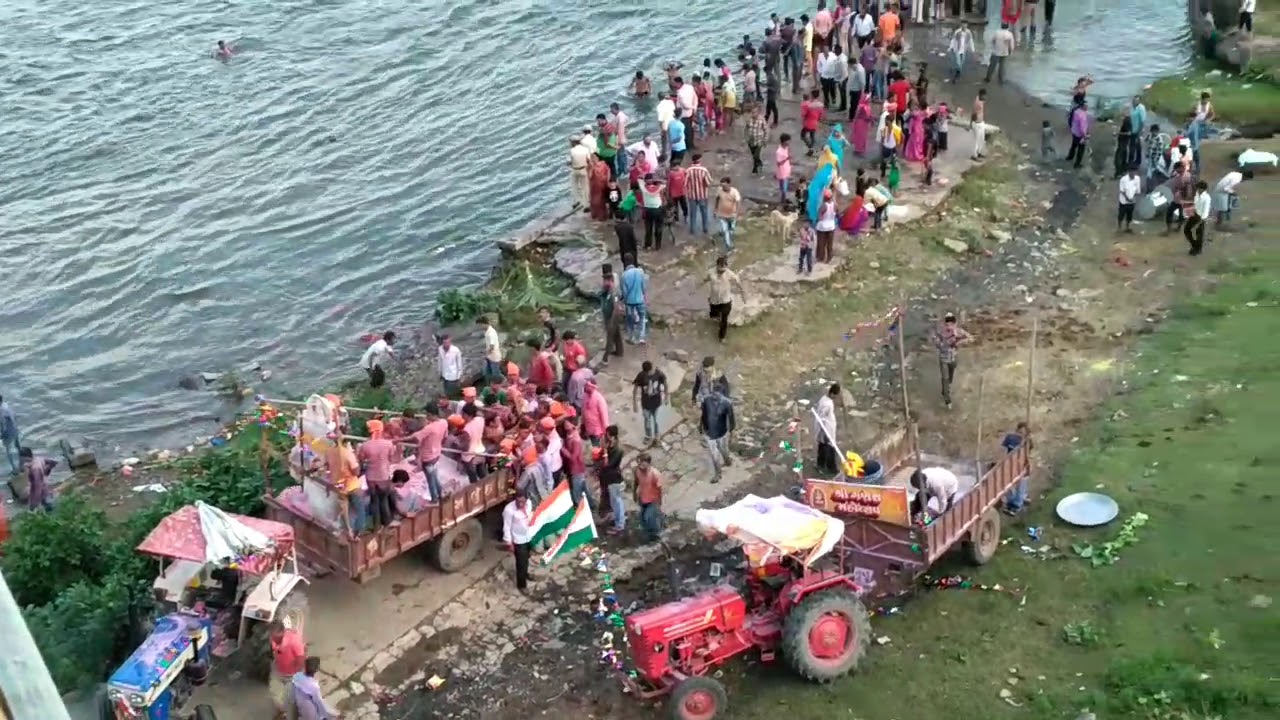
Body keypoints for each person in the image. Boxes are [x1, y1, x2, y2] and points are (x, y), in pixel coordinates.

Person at [358, 420, 400, 530]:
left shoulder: (365, 445)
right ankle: (387, 521)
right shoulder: (388, 444)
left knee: (374, 500)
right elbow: (391, 458)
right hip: (383, 476)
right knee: (383, 499)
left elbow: (361, 459)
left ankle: (376, 525)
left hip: (370, 477)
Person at [933, 311, 973, 409]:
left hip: (953, 359)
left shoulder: (958, 331)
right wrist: (939, 343)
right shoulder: (941, 331)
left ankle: (945, 391)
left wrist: (960, 342)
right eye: (947, 322)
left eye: (951, 322)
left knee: (950, 379)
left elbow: (970, 338)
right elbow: (934, 339)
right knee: (945, 378)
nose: (949, 325)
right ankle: (947, 400)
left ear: (955, 323)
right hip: (943, 359)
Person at [699, 380, 734, 483]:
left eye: (716, 395)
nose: (714, 396)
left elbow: (731, 419)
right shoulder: (706, 400)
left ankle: (727, 460)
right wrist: (700, 426)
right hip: (709, 432)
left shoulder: (727, 403)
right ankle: (718, 473)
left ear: (721, 394)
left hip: (721, 432)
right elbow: (703, 414)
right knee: (714, 454)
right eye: (713, 393)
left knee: (723, 449)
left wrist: (731, 432)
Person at [501, 487, 535, 594]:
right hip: (518, 540)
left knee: (527, 558)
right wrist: (509, 542)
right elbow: (506, 527)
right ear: (514, 499)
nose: (520, 504)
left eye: (522, 501)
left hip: (528, 536)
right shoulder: (509, 510)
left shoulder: (529, 503)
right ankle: (522, 585)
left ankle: (525, 574)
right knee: (521, 563)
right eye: (518, 501)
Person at [326, 439, 362, 538]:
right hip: (351, 485)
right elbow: (356, 472)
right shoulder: (348, 453)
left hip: (338, 484)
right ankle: (356, 532)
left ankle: (348, 529)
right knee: (359, 509)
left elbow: (328, 468)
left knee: (344, 508)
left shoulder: (329, 452)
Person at [269, 623, 306, 718]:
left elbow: (301, 661)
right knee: (275, 696)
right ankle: (282, 713)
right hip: (278, 671)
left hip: (292, 675)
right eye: (272, 636)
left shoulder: (294, 642)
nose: (273, 639)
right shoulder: (273, 639)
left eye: (275, 636)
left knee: (291, 700)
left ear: (282, 632)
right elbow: (275, 651)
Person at [413, 406, 448, 504]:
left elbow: (416, 438)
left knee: (430, 479)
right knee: (434, 476)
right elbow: (445, 436)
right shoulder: (444, 423)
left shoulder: (429, 428)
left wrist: (399, 440)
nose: (426, 416)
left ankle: (434, 499)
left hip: (427, 457)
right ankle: (441, 493)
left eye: (428, 415)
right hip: (436, 455)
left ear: (433, 415)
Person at [707, 256, 744, 342]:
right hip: (714, 300)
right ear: (717, 265)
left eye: (723, 269)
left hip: (725, 300)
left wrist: (742, 293)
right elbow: (705, 279)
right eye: (720, 268)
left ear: (726, 267)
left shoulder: (729, 274)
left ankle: (722, 337)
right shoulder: (711, 273)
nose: (721, 271)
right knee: (714, 316)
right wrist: (696, 288)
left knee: (724, 319)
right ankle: (716, 318)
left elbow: (738, 282)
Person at [597, 425, 626, 534]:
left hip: (614, 480)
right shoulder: (611, 445)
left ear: (611, 436)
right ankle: (614, 516)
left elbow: (608, 465)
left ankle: (619, 525)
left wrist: (604, 451)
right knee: (613, 501)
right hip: (608, 479)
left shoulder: (618, 450)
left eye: (607, 434)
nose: (605, 436)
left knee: (617, 502)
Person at [633, 360, 668, 445]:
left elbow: (665, 383)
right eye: (649, 372)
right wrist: (635, 403)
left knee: (656, 421)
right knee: (647, 421)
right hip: (646, 404)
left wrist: (666, 396)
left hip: (656, 403)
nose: (651, 372)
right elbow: (635, 388)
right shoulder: (641, 376)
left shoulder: (658, 374)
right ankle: (648, 436)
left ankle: (657, 436)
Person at [1001, 422, 1031, 514]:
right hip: (1010, 464)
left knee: (1021, 485)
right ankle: (1010, 501)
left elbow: (1028, 453)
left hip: (1021, 465)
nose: (1020, 434)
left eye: (1022, 433)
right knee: (1007, 484)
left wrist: (1028, 464)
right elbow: (1003, 450)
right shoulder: (1010, 438)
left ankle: (1017, 505)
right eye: (1019, 431)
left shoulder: (1027, 441)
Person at [620, 255, 649, 344]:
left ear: (625, 263)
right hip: (640, 299)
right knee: (642, 317)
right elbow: (643, 286)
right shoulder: (640, 272)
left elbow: (624, 291)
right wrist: (644, 295)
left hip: (629, 301)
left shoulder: (624, 275)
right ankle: (641, 337)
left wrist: (624, 300)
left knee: (630, 320)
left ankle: (631, 337)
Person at [599, 263, 624, 362]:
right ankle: (619, 351)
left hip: (612, 316)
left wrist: (612, 321)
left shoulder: (613, 292)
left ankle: (605, 357)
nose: (604, 282)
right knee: (616, 334)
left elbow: (616, 307)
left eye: (606, 280)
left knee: (610, 335)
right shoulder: (608, 290)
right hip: (609, 314)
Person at [20, 448, 56, 512]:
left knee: (49, 508)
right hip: (45, 487)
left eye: (22, 458)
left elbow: (38, 487)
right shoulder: (38, 459)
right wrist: (46, 471)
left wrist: (34, 503)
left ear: (25, 457)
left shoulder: (35, 469)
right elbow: (52, 462)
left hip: (42, 492)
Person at [685, 154, 713, 236]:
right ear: (700, 160)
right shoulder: (704, 170)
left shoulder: (688, 170)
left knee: (693, 213)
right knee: (704, 212)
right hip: (703, 195)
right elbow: (708, 182)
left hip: (692, 196)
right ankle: (705, 228)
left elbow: (685, 183)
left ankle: (692, 229)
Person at [814, 383, 840, 475]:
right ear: (832, 394)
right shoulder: (827, 404)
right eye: (836, 395)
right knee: (829, 449)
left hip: (828, 428)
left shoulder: (824, 399)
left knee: (822, 447)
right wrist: (824, 434)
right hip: (826, 431)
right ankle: (831, 468)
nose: (836, 398)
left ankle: (820, 465)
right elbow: (822, 419)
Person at [638, 173, 666, 251]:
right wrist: (656, 180)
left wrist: (644, 179)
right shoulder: (659, 187)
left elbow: (639, 178)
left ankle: (648, 245)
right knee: (658, 228)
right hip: (658, 210)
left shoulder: (643, 187)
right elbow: (665, 182)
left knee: (648, 228)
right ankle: (658, 246)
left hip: (648, 210)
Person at [714, 176, 742, 251]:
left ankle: (729, 238)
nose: (723, 187)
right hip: (722, 215)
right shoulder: (719, 190)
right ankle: (728, 245)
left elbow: (738, 202)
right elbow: (717, 199)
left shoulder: (734, 192)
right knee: (725, 230)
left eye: (724, 186)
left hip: (732, 215)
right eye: (722, 186)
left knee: (731, 229)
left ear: (729, 184)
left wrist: (737, 213)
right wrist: (715, 210)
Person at [1185, 179, 1211, 256]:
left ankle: (1198, 249)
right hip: (1195, 214)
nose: (1198, 190)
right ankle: (1194, 245)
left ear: (1203, 189)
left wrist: (1201, 221)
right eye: (1198, 188)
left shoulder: (1207, 198)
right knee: (1186, 230)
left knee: (1199, 234)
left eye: (1199, 189)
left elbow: (1205, 211)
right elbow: (1195, 204)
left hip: (1201, 217)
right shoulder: (1197, 194)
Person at [582, 381, 610, 447]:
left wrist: (606, 432)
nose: (584, 388)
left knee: (597, 448)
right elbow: (583, 410)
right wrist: (583, 424)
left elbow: (604, 416)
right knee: (594, 446)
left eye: (586, 386)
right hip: (589, 429)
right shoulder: (585, 396)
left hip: (597, 431)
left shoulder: (599, 399)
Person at [1065, 100, 1091, 170]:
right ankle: (1077, 164)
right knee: (1081, 149)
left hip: (1074, 132)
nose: (1087, 107)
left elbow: (1072, 120)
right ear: (1083, 106)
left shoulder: (1076, 111)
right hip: (1080, 135)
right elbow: (1082, 127)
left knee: (1073, 145)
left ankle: (1069, 157)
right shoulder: (1083, 115)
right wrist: (1085, 135)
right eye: (1086, 106)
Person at [436, 335, 463, 399]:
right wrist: (439, 372)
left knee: (452, 392)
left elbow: (459, 364)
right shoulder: (440, 349)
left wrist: (458, 376)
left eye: (448, 342)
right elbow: (440, 361)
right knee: (446, 391)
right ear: (442, 343)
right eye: (445, 343)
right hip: (444, 374)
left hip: (453, 375)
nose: (447, 344)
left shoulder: (456, 350)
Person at [744, 104, 769, 174]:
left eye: (754, 112)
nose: (753, 114)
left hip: (759, 141)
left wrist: (765, 140)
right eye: (752, 112)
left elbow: (766, 130)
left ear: (758, 112)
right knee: (753, 155)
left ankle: (755, 169)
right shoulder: (749, 119)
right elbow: (746, 128)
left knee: (756, 155)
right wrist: (746, 138)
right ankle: (759, 163)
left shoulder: (761, 120)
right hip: (751, 141)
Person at [568, 135, 592, 209]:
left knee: (574, 186)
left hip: (575, 170)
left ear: (573, 143)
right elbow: (589, 160)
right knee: (585, 187)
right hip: (583, 169)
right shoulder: (585, 149)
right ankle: (587, 204)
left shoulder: (572, 150)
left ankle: (577, 201)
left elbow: (568, 162)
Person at [815, 190, 838, 263]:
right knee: (829, 243)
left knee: (821, 243)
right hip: (831, 226)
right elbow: (837, 212)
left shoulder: (823, 206)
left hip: (822, 227)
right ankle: (829, 257)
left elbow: (819, 217)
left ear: (824, 197)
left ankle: (820, 257)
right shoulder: (834, 205)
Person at [1117, 166, 1141, 233]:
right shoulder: (1123, 179)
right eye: (1131, 171)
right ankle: (1119, 227)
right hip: (1123, 201)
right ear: (1129, 171)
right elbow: (1122, 191)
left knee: (1129, 215)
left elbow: (1138, 191)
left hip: (1132, 201)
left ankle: (1127, 227)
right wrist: (1128, 198)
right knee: (1121, 214)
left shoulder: (1137, 179)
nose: (1133, 173)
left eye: (1134, 171)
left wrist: (1133, 198)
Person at [478, 315, 503, 381]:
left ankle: (503, 382)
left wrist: (486, 354)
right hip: (490, 356)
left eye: (481, 325)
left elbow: (492, 346)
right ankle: (490, 385)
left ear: (484, 323)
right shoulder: (487, 331)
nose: (480, 327)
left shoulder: (491, 333)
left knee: (496, 374)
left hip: (494, 357)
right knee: (487, 372)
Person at [0, 396, 19, 475]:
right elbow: (14, 416)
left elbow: (2, 424)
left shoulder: (1, 410)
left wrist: (3, 435)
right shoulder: (6, 405)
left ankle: (14, 468)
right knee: (18, 446)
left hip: (8, 432)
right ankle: (23, 463)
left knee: (8, 450)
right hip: (15, 428)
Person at [775, 133, 794, 204]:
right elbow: (778, 163)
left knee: (783, 185)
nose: (789, 142)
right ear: (784, 141)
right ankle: (783, 199)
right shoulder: (778, 152)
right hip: (782, 171)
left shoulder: (786, 148)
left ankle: (783, 198)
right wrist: (786, 159)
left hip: (786, 169)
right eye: (788, 141)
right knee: (784, 186)